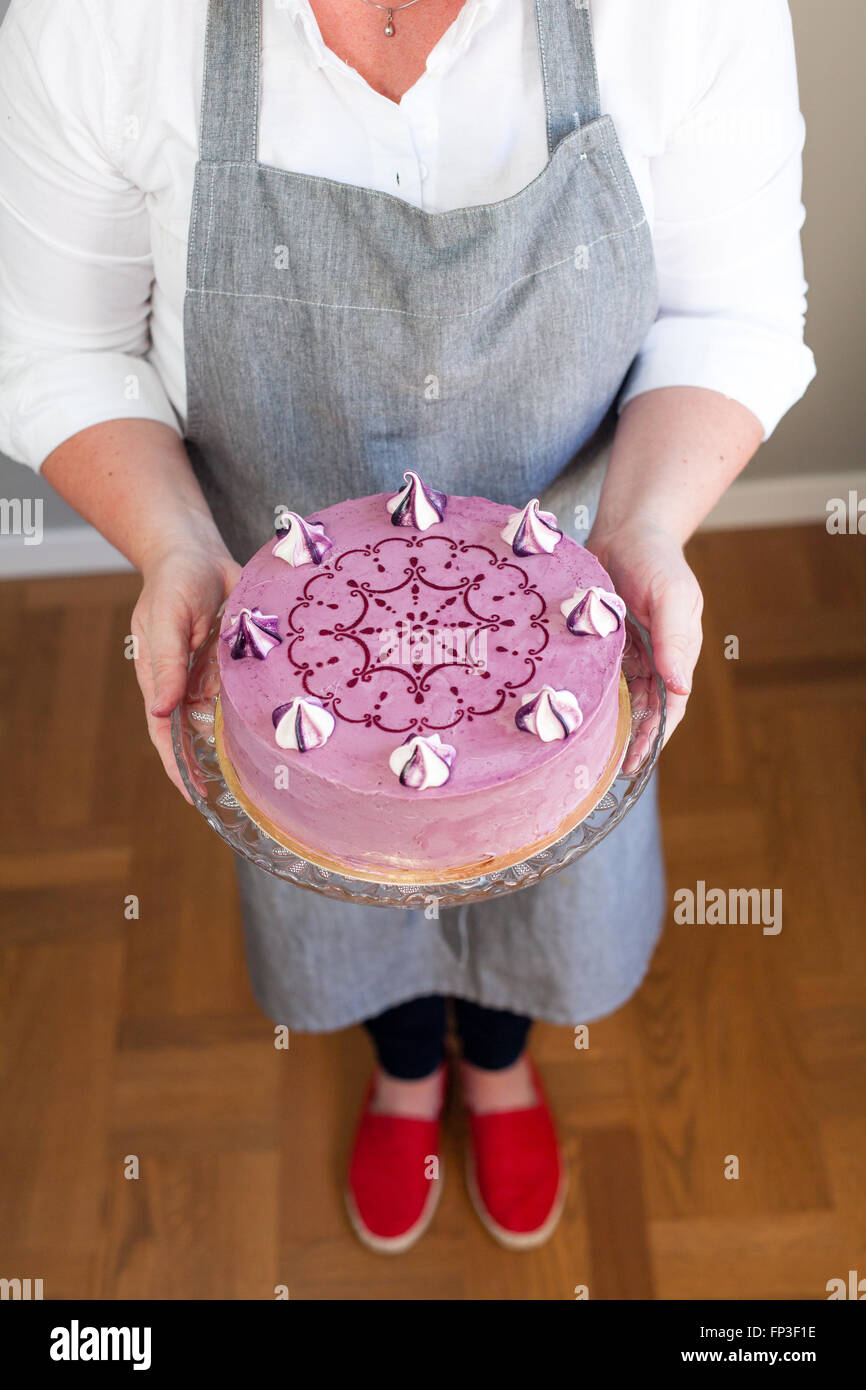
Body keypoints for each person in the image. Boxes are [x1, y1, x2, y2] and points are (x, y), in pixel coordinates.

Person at [0, 0, 814, 1252]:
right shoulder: (99, 22)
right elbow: (60, 345)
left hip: (570, 624)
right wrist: (173, 549)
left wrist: (642, 531)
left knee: (540, 864)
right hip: (279, 654)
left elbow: (726, 318)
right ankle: (403, 1069)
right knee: (340, 875)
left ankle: (494, 1059)